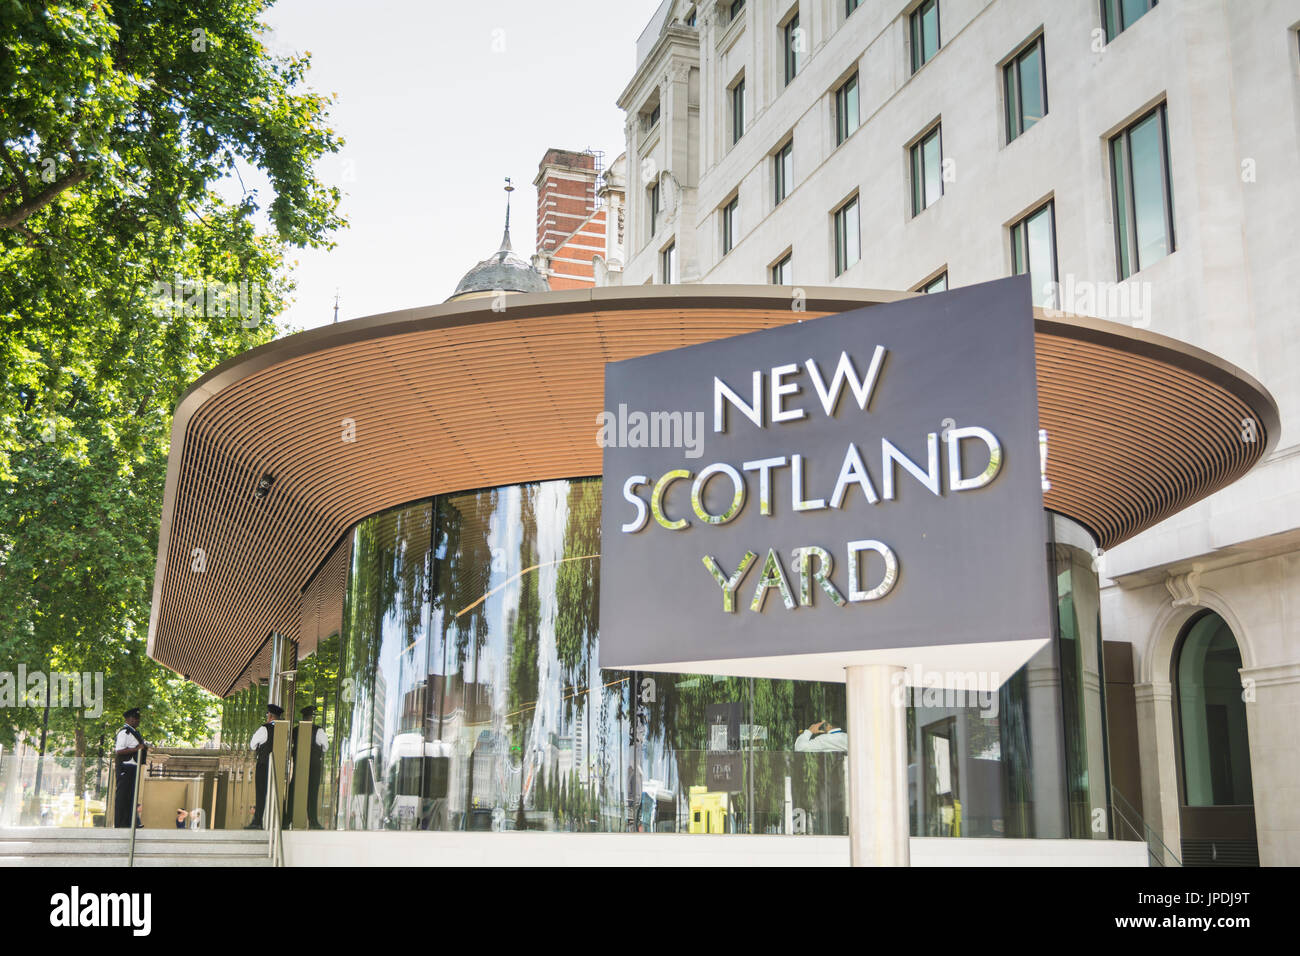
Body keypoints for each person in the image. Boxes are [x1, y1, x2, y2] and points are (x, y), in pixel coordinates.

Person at [284, 705, 328, 830]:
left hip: (299, 765)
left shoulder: (295, 730)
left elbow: (288, 747)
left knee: (293, 793)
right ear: (312, 717)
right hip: (313, 766)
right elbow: (325, 747)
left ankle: (288, 820)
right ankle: (313, 821)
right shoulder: (318, 731)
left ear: (303, 717)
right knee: (312, 793)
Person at [245, 702, 283, 829]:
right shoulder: (284, 730)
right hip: (279, 766)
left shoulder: (264, 728)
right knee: (277, 793)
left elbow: (252, 744)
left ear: (270, 716)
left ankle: (258, 821)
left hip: (264, 764)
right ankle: (282, 820)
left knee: (261, 794)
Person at [113, 707, 147, 828]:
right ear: (129, 719)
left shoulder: (134, 732)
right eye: (135, 718)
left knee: (131, 796)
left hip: (133, 767)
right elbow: (119, 750)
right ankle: (120, 823)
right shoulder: (125, 732)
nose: (138, 721)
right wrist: (136, 749)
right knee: (123, 796)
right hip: (125, 767)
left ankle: (131, 822)